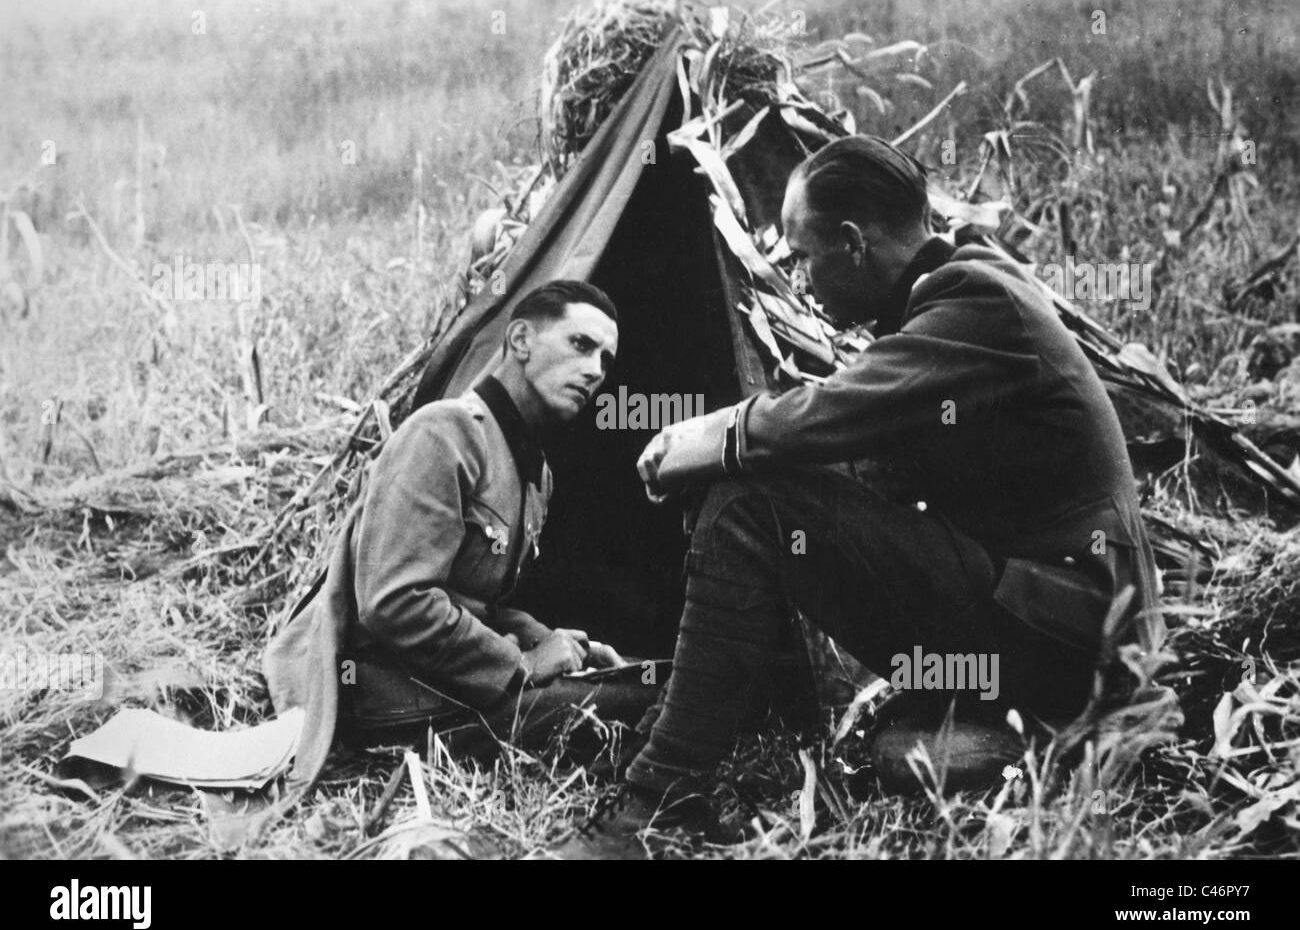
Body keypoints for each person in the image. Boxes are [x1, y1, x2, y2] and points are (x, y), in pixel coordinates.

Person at [554, 135, 1162, 858]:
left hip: (1070, 625)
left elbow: (833, 411)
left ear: (852, 243)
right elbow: (869, 472)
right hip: (1046, 612)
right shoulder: (951, 299)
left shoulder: (980, 301)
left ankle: (659, 802)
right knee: (890, 750)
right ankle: (1057, 739)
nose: (799, 278)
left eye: (805, 256)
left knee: (752, 508)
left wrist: (710, 438)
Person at [263, 280, 656, 787]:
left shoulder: (534, 474)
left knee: (648, 676)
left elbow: (474, 598)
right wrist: (522, 663)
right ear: (519, 341)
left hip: (448, 684)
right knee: (653, 704)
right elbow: (393, 602)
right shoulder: (444, 434)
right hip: (389, 694)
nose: (595, 371)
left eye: (606, 360)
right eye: (581, 345)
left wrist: (551, 641)